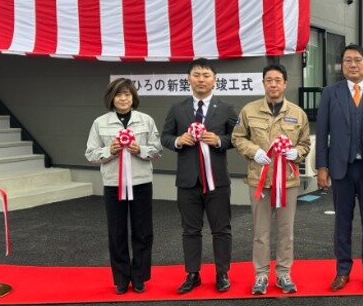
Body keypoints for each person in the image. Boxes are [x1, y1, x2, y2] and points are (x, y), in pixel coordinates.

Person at [315, 43, 363, 292]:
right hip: (341, 168)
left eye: (358, 60)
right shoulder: (330, 93)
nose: (353, 64)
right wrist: (322, 166)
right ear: (342, 65)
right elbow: (322, 131)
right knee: (342, 221)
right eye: (348, 60)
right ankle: (342, 270)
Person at [231, 64, 311, 295]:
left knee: (286, 231)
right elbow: (238, 137)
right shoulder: (249, 110)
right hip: (260, 180)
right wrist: (253, 150)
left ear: (285, 84)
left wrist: (297, 152)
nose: (273, 84)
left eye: (277, 80)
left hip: (288, 182)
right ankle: (261, 275)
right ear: (264, 83)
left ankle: (284, 273)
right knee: (261, 232)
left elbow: (305, 143)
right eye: (269, 80)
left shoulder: (297, 113)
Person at [161, 58, 238, 294]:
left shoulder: (226, 109)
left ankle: (222, 272)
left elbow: (237, 138)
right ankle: (192, 274)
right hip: (188, 181)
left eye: (206, 75)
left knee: (221, 229)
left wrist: (219, 140)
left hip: (217, 181)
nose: (201, 79)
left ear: (215, 80)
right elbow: (165, 137)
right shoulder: (177, 109)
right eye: (196, 75)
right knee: (190, 230)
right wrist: (178, 140)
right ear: (189, 79)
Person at [85, 78, 162, 295]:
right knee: (117, 232)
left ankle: (139, 277)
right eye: (118, 94)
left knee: (143, 232)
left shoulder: (145, 120)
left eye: (127, 94)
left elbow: (157, 150)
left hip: (141, 182)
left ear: (133, 97)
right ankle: (121, 278)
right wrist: (109, 150)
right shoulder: (100, 123)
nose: (123, 98)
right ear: (111, 98)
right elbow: (90, 154)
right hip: (113, 184)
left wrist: (141, 150)